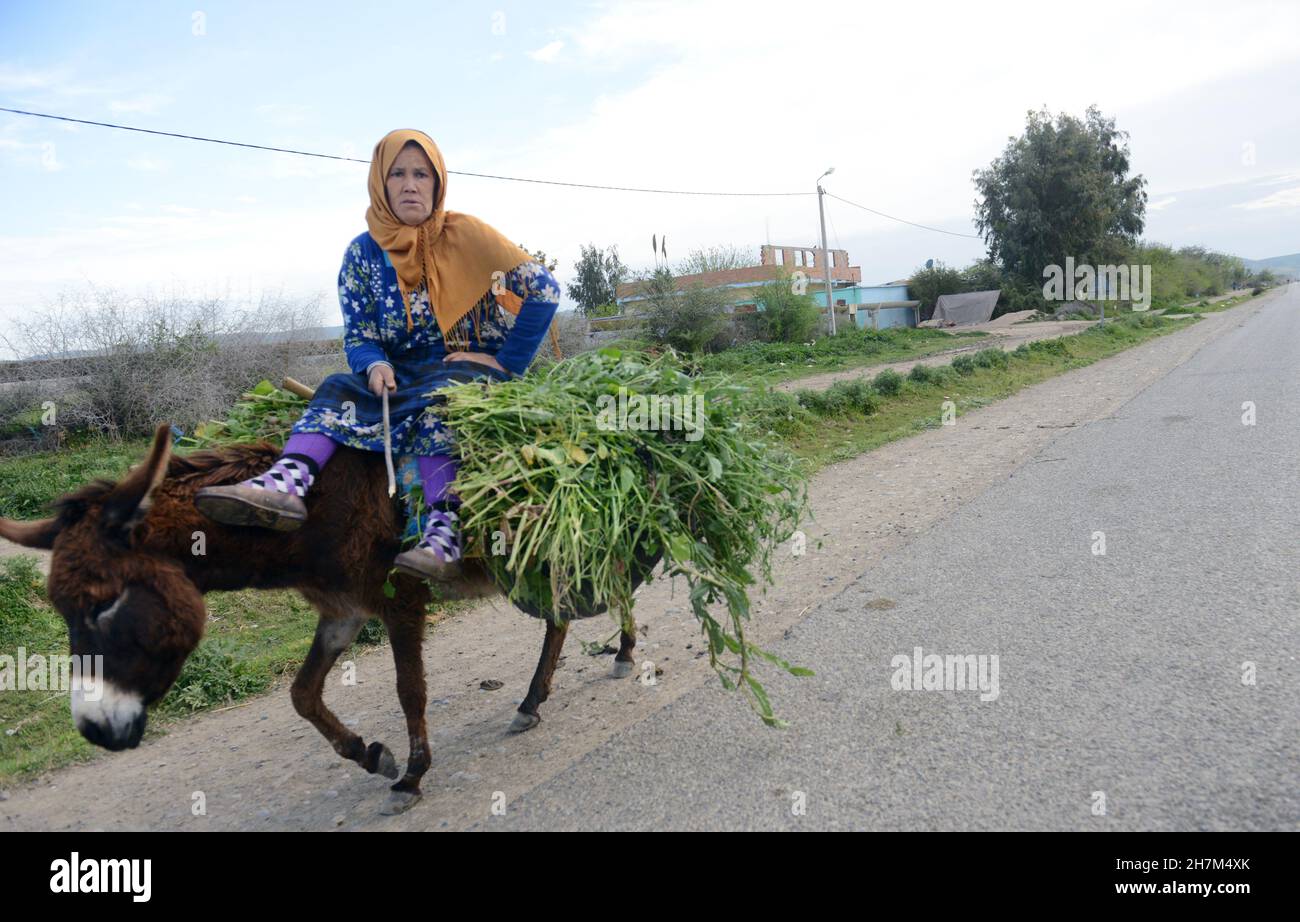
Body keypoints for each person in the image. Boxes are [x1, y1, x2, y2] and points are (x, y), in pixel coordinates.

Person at [195, 128, 559, 582]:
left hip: (461, 370)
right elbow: (360, 334)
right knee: (335, 387)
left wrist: (506, 363)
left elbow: (544, 290)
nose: (411, 184)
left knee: (440, 408)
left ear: (438, 182)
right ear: (381, 184)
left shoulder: (468, 235)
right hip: (401, 376)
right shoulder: (362, 254)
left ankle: (444, 534)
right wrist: (374, 363)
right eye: (398, 174)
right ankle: (285, 484)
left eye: (422, 174)